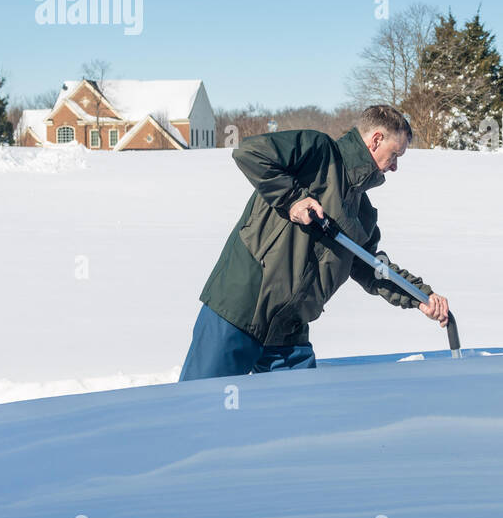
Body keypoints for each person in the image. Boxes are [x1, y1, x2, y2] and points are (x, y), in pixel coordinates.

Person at [179, 105, 449, 380]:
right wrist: (292, 198)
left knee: (298, 415)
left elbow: (371, 269)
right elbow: (249, 152)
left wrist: (419, 297)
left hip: (288, 334)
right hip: (239, 309)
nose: (395, 166)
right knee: (200, 406)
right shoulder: (318, 153)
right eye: (395, 155)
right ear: (376, 139)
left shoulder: (362, 214)